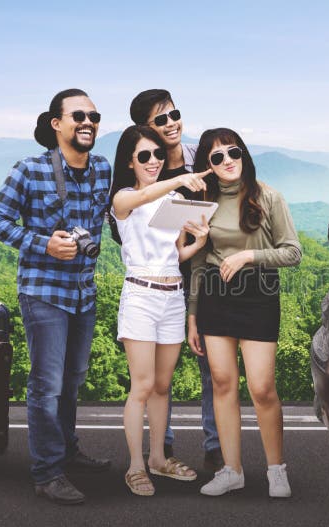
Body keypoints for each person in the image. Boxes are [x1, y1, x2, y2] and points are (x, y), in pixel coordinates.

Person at [0, 88, 111, 505]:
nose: (88, 122)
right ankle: (46, 472)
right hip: (43, 293)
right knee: (46, 385)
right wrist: (42, 243)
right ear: (56, 123)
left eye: (93, 115)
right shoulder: (30, 170)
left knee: (72, 381)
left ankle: (66, 452)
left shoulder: (103, 170)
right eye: (78, 115)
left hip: (83, 292)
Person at [187, 128, 302, 498]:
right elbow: (201, 262)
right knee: (222, 384)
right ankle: (231, 470)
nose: (227, 162)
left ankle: (276, 469)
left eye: (232, 152)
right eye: (216, 158)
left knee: (262, 388)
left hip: (258, 296)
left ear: (243, 154)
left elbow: (292, 252)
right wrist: (192, 314)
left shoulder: (268, 197)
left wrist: (248, 255)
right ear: (208, 166)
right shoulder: (204, 201)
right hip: (215, 300)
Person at [109, 125, 211, 496]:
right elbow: (141, 197)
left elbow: (174, 255)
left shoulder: (171, 203)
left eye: (156, 154)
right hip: (139, 296)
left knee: (163, 386)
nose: (153, 161)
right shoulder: (123, 199)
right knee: (143, 385)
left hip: (173, 296)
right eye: (144, 156)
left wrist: (197, 242)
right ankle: (135, 466)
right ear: (130, 162)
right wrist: (179, 179)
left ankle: (157, 459)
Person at [127, 89, 223, 471]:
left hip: (207, 274)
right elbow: (125, 227)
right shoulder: (145, 168)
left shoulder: (204, 155)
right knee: (154, 378)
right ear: (144, 130)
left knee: (212, 365)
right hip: (161, 281)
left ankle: (215, 445)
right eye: (160, 120)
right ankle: (160, 448)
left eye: (173, 115)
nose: (171, 124)